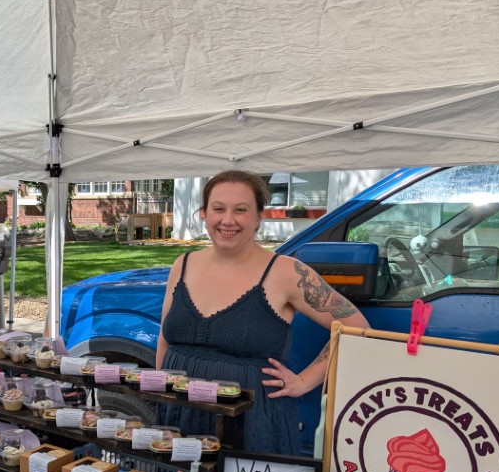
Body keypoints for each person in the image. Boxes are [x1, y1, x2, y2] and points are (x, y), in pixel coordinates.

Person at [155, 170, 369, 454]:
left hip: (253, 423)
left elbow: (356, 326)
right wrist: (158, 390)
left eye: (240, 210)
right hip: (179, 415)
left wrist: (305, 380)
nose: (227, 220)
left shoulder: (286, 273)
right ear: (204, 213)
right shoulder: (182, 265)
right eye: (219, 209)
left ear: (258, 217)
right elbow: (165, 337)